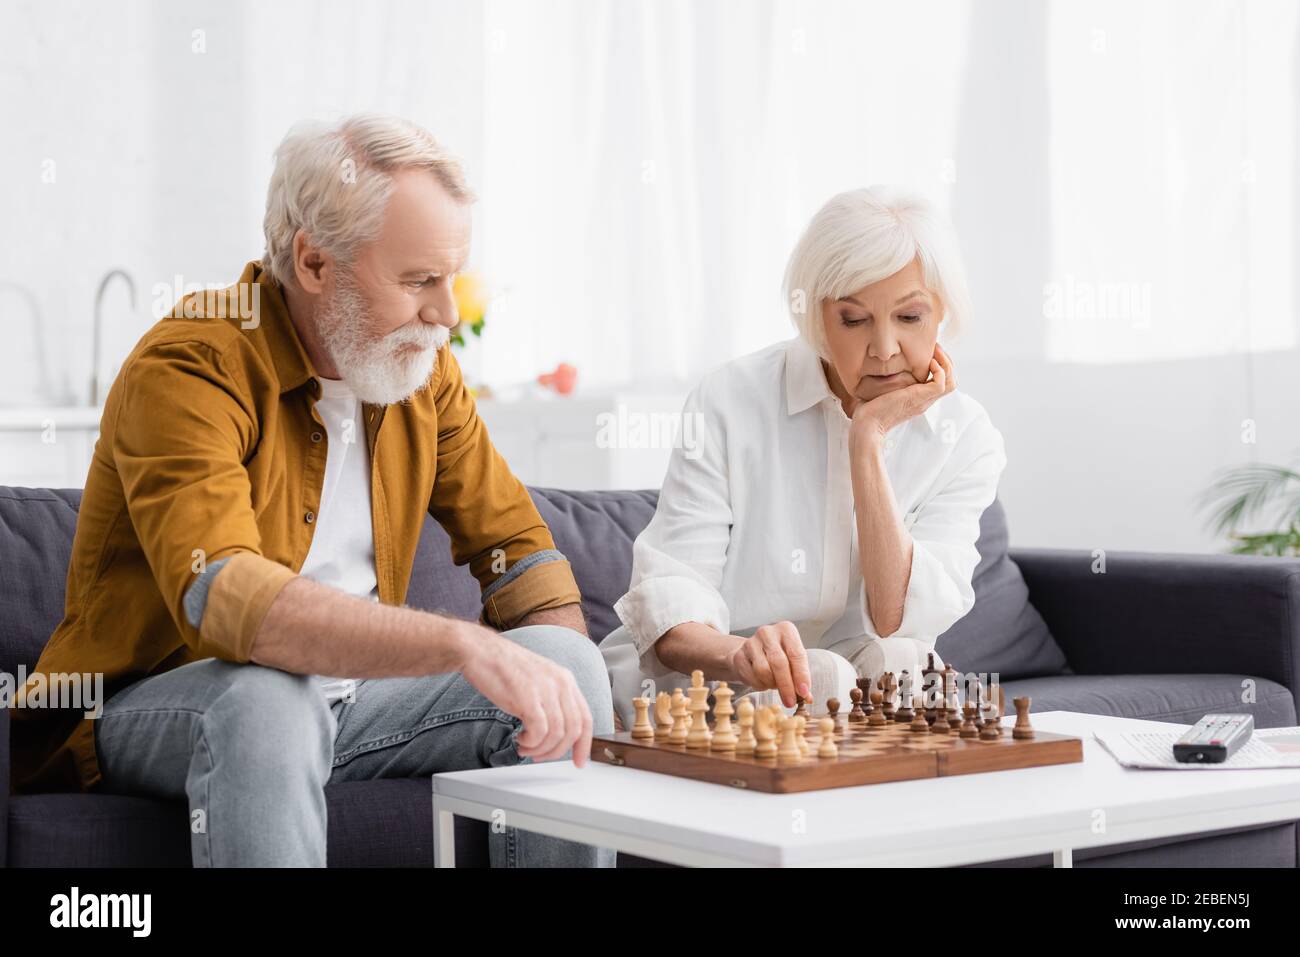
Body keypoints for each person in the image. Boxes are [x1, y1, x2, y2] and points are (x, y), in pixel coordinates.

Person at [9, 114, 614, 868]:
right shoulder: (191, 364)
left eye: (450, 278)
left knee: (569, 665)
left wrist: (541, 665)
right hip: (153, 704)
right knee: (271, 699)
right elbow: (229, 599)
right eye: (419, 280)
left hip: (353, 702)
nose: (447, 314)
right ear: (315, 262)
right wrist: (459, 641)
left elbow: (518, 553)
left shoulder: (419, 376)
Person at [600, 186, 1007, 731]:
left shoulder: (966, 435)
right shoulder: (728, 399)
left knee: (905, 661)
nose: (884, 348)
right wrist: (740, 655)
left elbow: (893, 618)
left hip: (846, 697)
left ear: (942, 316)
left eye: (909, 317)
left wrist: (867, 440)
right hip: (708, 692)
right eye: (854, 320)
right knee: (823, 675)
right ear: (815, 317)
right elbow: (674, 600)